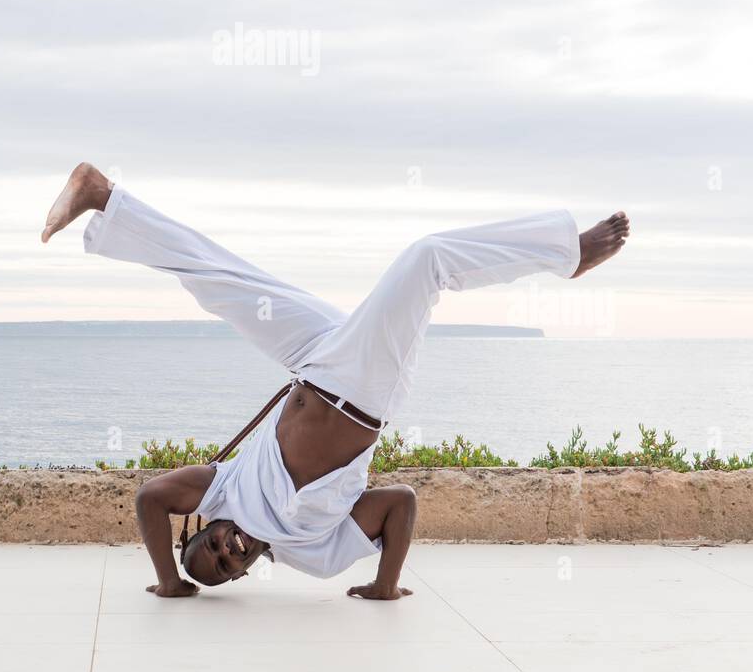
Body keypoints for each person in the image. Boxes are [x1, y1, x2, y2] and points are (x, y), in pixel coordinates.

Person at [41, 163, 629, 600]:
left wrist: (169, 582)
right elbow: (400, 504)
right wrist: (386, 585)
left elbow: (149, 499)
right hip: (364, 385)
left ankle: (102, 194)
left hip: (315, 360)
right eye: (227, 566)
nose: (227, 551)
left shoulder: (221, 492)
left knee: (219, 282)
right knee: (427, 259)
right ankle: (563, 253)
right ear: (245, 575)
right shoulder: (314, 555)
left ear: (205, 525)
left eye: (211, 545)